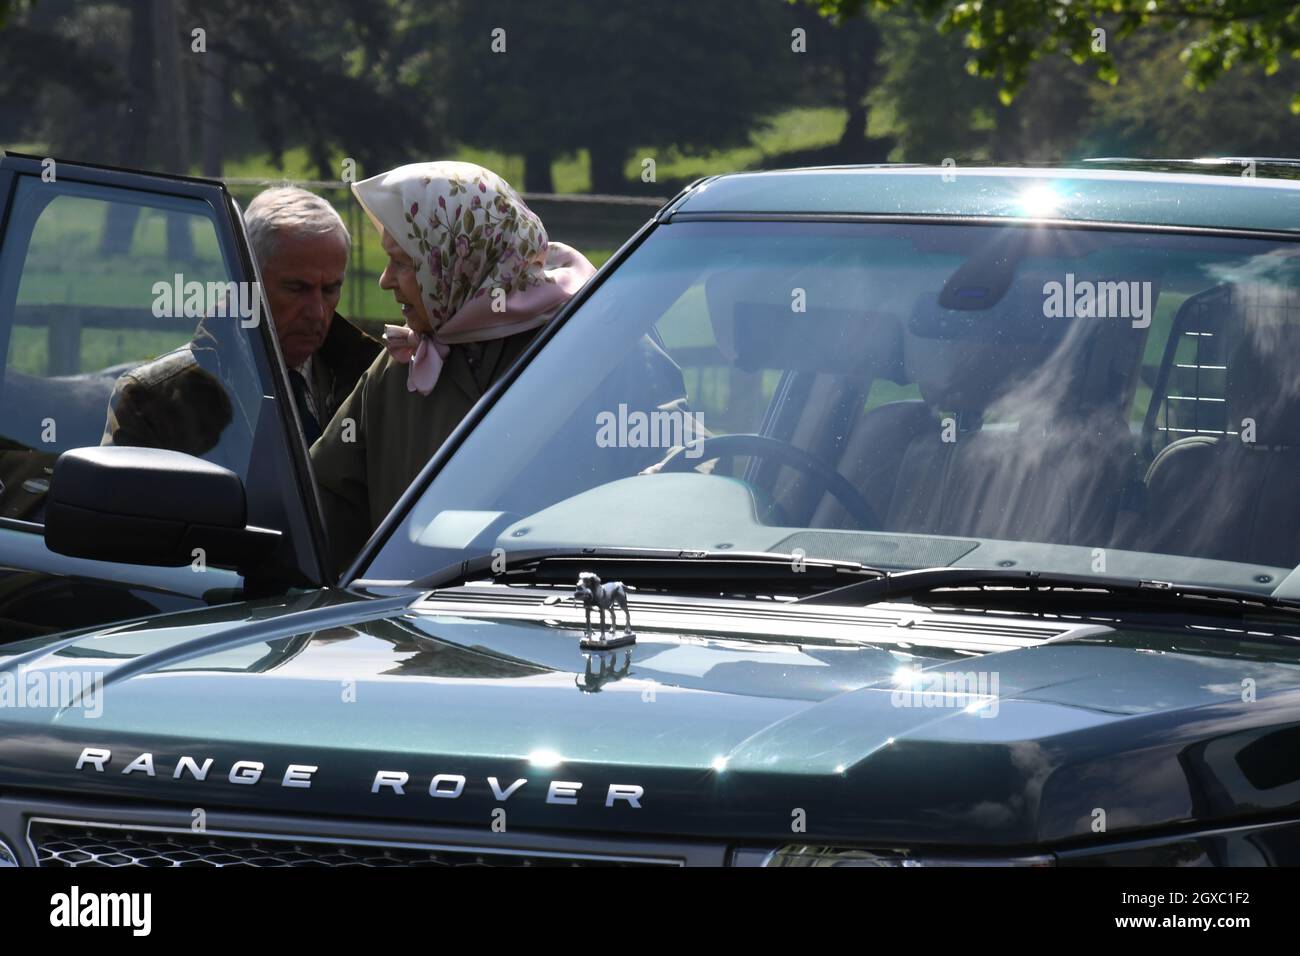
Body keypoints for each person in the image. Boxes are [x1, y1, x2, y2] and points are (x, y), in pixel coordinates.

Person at [311, 161, 597, 572]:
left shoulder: (590, 345)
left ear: (459, 262)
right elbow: (322, 504)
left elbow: (663, 484)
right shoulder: (398, 370)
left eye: (404, 263)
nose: (385, 281)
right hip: (409, 629)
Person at [101, 186, 380, 453]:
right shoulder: (152, 401)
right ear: (244, 280)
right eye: (296, 289)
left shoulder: (371, 383)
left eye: (331, 289)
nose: (317, 312)